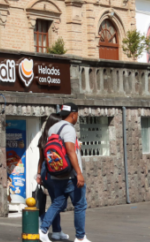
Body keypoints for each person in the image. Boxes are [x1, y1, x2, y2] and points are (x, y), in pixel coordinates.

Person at [38, 103, 89, 242]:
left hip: (56, 174)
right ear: (73, 114)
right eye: (77, 115)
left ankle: (43, 230)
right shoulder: (69, 129)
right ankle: (80, 238)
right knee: (80, 205)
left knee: (58, 203)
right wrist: (79, 173)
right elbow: (70, 151)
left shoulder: (52, 128)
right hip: (70, 176)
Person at [36, 113, 70, 241]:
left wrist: (39, 173)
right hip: (55, 170)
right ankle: (42, 223)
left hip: (46, 171)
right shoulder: (58, 138)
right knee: (59, 203)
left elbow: (41, 159)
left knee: (56, 200)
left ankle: (57, 230)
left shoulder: (43, 139)